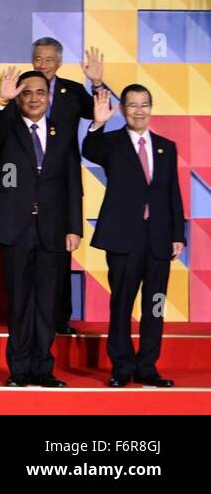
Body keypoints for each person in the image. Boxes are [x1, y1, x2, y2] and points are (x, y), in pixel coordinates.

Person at [0, 68, 82, 387]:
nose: (34, 98)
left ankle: (43, 369)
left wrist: (74, 227)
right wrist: (0, 100)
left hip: (52, 228)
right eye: (27, 93)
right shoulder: (7, 127)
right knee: (20, 300)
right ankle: (19, 369)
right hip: (15, 227)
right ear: (18, 97)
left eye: (40, 92)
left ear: (49, 97)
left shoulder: (61, 132)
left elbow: (71, 182)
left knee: (47, 302)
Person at [83, 85, 185, 388]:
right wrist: (98, 124)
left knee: (155, 305)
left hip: (159, 240)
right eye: (132, 105)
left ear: (151, 107)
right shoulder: (111, 143)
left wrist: (177, 235)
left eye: (144, 105)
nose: (139, 111)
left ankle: (148, 366)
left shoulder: (166, 146)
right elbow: (89, 150)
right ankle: (122, 367)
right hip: (123, 238)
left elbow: (173, 194)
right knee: (122, 305)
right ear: (124, 109)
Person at [31, 37, 109, 335]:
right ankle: (26, 316)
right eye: (38, 58)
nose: (44, 64)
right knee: (26, 254)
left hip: (62, 184)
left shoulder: (72, 91)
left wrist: (98, 82)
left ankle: (60, 318)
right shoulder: (22, 90)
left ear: (59, 62)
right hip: (26, 185)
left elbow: (98, 112)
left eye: (50, 59)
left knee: (61, 253)